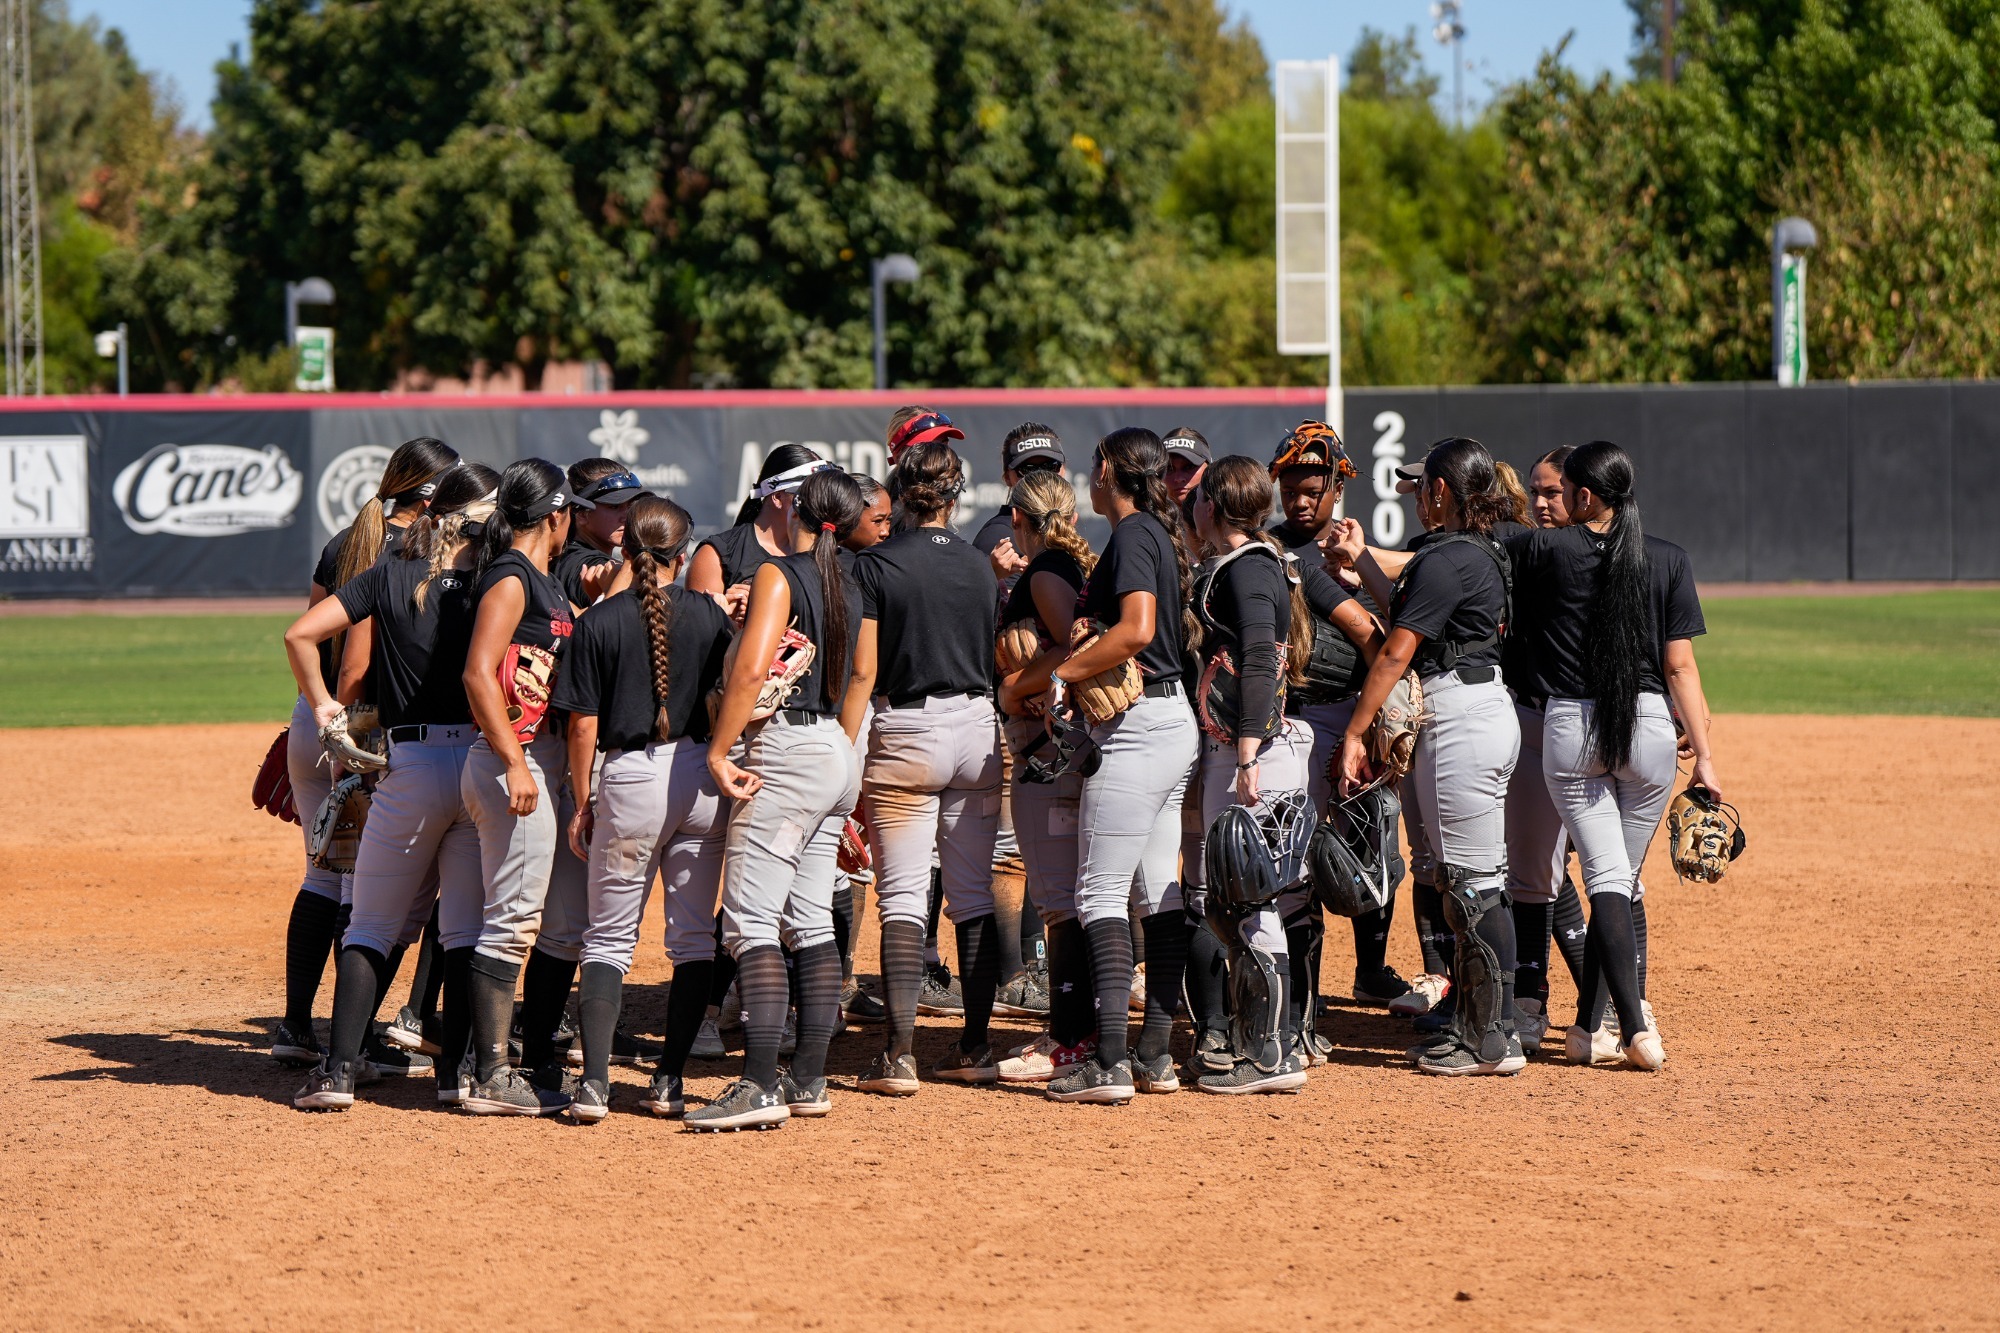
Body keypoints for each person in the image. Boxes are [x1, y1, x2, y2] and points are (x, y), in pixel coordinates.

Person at [284, 463, 499, 1110]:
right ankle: (454, 1077)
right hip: (476, 767)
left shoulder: (389, 573)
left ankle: (338, 1073)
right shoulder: (497, 584)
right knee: (462, 930)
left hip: (409, 766)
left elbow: (300, 634)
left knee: (371, 925)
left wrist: (325, 709)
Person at [1507, 440, 1717, 1072]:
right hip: (1651, 730)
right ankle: (1588, 1028)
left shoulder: (1546, 549)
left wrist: (1364, 558)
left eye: (1563, 489)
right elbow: (1680, 667)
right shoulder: (1668, 559)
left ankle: (1630, 1028)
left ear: (1586, 496)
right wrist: (1705, 758)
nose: (1556, 499)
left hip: (1572, 729)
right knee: (1619, 883)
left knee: (1605, 883)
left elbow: (1457, 558)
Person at [1335, 438, 1524, 1077]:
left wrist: (1358, 731)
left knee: (1472, 887)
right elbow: (1412, 610)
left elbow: (1395, 651)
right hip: (1477, 709)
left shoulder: (1446, 559)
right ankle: (1486, 1023)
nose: (1414, 494)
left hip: (1462, 719)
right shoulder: (1475, 551)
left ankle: (1488, 1038)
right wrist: (1362, 565)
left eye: (1420, 485)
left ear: (1441, 492)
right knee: (1467, 881)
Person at [690, 469, 867, 1130]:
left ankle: (760, 1083)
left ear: (792, 507)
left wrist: (718, 748)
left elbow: (751, 670)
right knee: (811, 921)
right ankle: (809, 1078)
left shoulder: (779, 573)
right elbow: (863, 673)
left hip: (785, 753)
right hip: (834, 748)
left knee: (751, 923)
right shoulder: (852, 580)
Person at [552, 494, 734, 1120]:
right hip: (700, 780)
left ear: (624, 552)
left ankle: (596, 1086)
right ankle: (669, 1082)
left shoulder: (597, 623)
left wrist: (583, 804)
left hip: (629, 778)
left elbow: (581, 729)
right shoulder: (711, 616)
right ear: (683, 557)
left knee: (606, 940)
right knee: (691, 940)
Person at [842, 441, 1007, 1092]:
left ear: (902, 492)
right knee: (970, 895)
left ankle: (900, 1054)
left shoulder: (876, 564)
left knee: (905, 897)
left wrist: (841, 748)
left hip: (907, 727)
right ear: (955, 493)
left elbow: (864, 671)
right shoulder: (979, 566)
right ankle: (974, 1045)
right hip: (976, 725)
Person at [1045, 427, 1201, 1104]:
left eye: (1092, 464)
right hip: (1168, 723)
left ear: (1107, 468)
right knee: (1155, 892)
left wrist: (1068, 670)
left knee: (1099, 895)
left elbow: (1136, 628)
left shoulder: (1136, 533)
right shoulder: (1154, 535)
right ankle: (1154, 1052)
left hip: (1138, 728)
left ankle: (1108, 1060)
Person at [458, 459, 590, 1116]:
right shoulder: (512, 577)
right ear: (557, 515)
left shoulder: (540, 580)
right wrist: (512, 759)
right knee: (511, 918)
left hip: (540, 763)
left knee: (552, 919)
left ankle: (507, 1062)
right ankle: (486, 1074)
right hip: (513, 762)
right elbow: (479, 674)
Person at [1268, 422, 1411, 1023]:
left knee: (1372, 845)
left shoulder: (1356, 551)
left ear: (1337, 490)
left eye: (1313, 490)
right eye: (1291, 488)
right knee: (1300, 855)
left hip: (1350, 708)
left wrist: (1370, 722)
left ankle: (1371, 971)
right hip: (1292, 713)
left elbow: (1385, 635)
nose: (1301, 500)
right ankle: (1304, 990)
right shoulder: (1268, 546)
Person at [1183, 455, 1316, 1094]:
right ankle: (1268, 1044)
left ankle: (1269, 1055)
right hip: (1244, 751)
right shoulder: (1251, 562)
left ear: (1213, 504)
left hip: (1252, 758)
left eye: (1199, 496)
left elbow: (1263, 657)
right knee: (1240, 900)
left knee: (1252, 897)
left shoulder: (1252, 566)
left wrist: (1246, 754)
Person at [991, 469, 1097, 1083]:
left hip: (1047, 745)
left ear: (1017, 519)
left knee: (1058, 897)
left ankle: (1067, 1038)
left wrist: (1016, 685)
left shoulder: (1051, 570)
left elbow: (1070, 647)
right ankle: (1073, 1028)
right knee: (1068, 893)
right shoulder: (1062, 565)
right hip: (1058, 742)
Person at [1502, 445, 1578, 1053]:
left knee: (1588, 870)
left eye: (1552, 492)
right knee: (1539, 869)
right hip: (1533, 721)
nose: (1541, 503)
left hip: (1594, 728)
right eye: (1536, 492)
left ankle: (1612, 1002)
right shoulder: (1530, 550)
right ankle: (1532, 997)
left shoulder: (1622, 557)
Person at [688, 444, 830, 623]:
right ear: (778, 497)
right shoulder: (717, 555)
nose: (821, 503)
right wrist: (731, 620)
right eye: (810, 494)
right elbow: (697, 635)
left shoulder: (826, 549)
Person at [975, 423, 1067, 581]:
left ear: (1064, 469)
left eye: (1050, 466)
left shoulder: (1062, 525)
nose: (1041, 477)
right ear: (1007, 478)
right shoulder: (1000, 537)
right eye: (1028, 469)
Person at [554, 459, 645, 610]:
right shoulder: (588, 565)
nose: (627, 516)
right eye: (614, 506)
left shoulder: (566, 554)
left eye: (631, 505)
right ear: (582, 514)